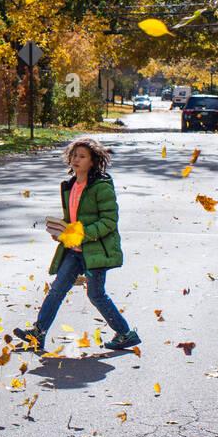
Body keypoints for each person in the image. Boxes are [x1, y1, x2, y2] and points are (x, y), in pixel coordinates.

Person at [14, 136, 139, 354]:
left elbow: (109, 222)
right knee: (56, 290)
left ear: (93, 161)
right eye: (74, 155)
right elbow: (72, 221)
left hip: (95, 251)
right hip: (73, 250)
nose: (76, 160)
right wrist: (62, 234)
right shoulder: (70, 186)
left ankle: (125, 334)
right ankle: (38, 333)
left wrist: (80, 234)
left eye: (82, 156)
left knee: (96, 295)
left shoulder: (101, 187)